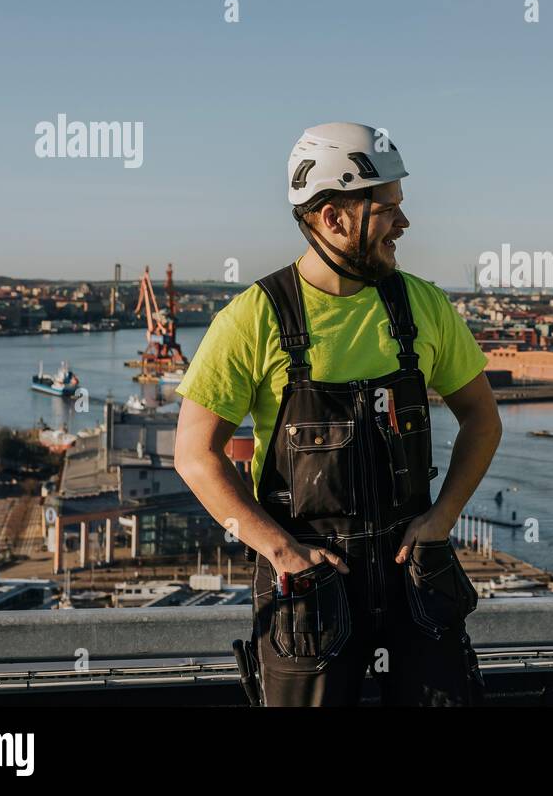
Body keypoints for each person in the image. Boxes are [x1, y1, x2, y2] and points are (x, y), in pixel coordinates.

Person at [174, 122, 502, 706]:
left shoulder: (421, 304)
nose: (404, 223)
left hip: (414, 582)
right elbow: (195, 455)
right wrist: (279, 550)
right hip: (309, 595)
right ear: (333, 218)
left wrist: (441, 519)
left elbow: (482, 419)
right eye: (388, 209)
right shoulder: (254, 319)